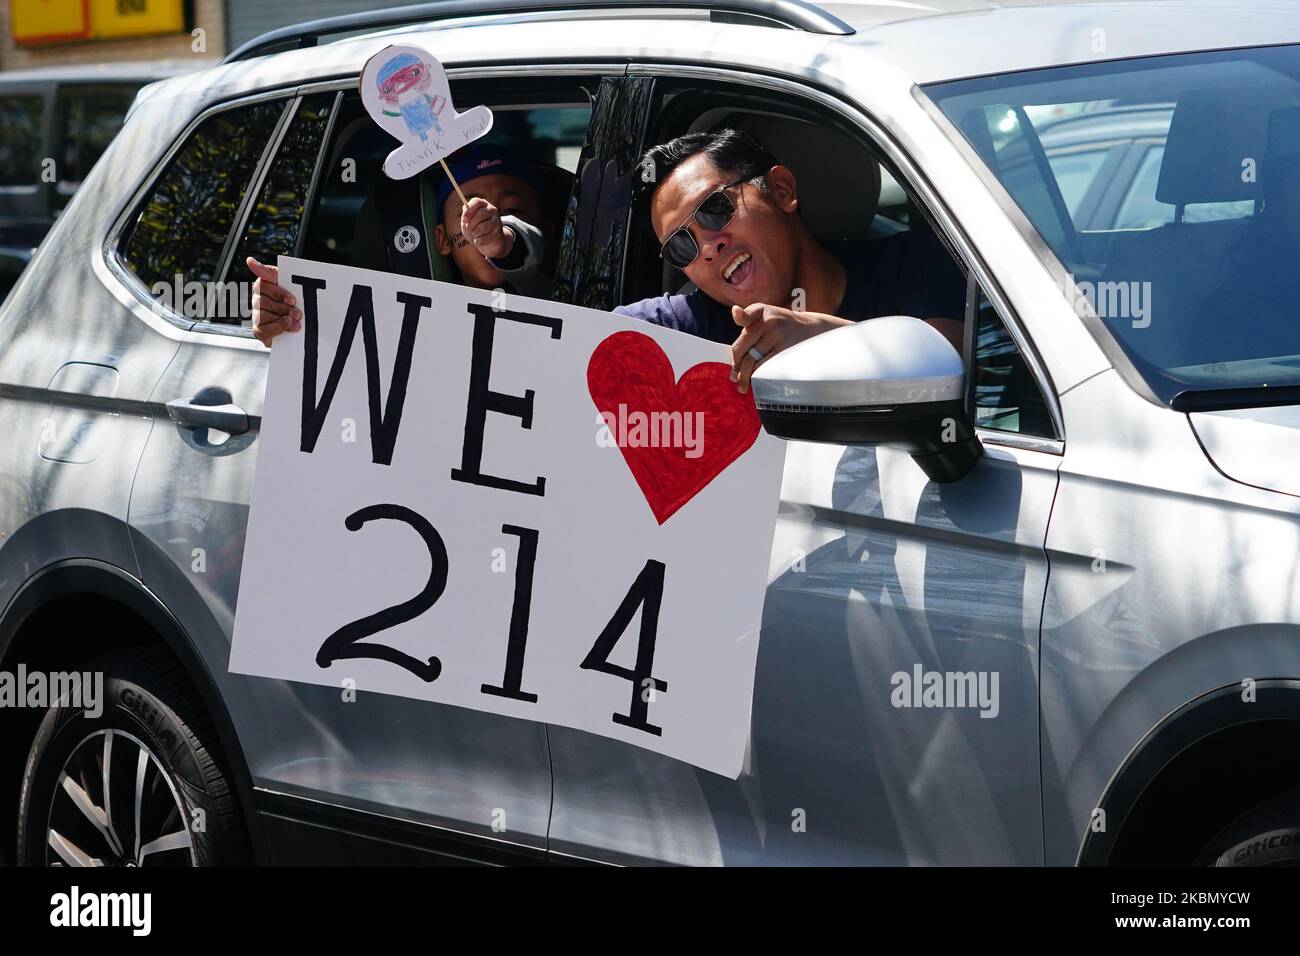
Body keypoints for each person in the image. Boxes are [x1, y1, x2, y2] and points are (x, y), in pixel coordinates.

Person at [615, 128, 967, 393]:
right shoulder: (684, 328)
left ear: (782, 190)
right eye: (681, 245)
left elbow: (949, 376)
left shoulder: (914, 266)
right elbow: (580, 349)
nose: (707, 248)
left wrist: (820, 339)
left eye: (714, 209)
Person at [248, 143, 552, 347]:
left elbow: (528, 250)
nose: (486, 222)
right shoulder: (396, 323)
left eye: (514, 211)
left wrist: (506, 242)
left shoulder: (568, 296)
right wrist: (284, 316)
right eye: (465, 213)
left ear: (546, 228)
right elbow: (334, 349)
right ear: (442, 240)